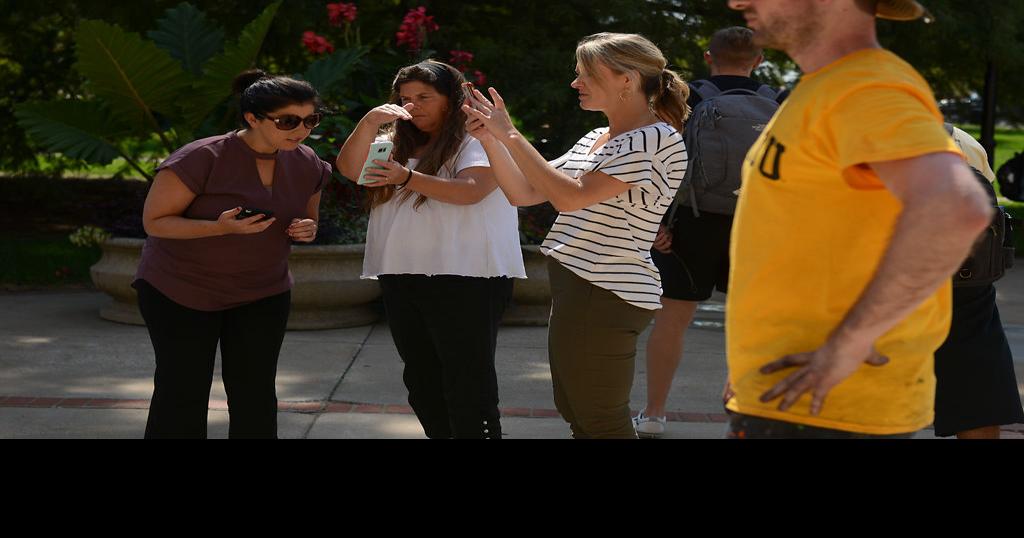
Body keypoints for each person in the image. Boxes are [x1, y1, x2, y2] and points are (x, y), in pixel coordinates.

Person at [723, 0, 993, 438]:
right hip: (792, 399)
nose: (737, 2)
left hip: (829, 409)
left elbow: (956, 209)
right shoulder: (826, 87)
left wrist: (849, 343)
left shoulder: (867, 85)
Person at [463, 33, 689, 438]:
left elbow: (571, 198)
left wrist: (510, 134)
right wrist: (491, 138)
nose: (575, 82)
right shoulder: (596, 137)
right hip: (581, 285)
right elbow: (525, 192)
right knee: (577, 410)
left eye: (586, 73)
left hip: (605, 291)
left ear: (627, 79)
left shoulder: (655, 138)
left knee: (600, 418)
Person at [135, 69, 332, 438]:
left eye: (310, 120)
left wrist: (307, 228)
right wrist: (219, 227)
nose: (301, 129)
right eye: (288, 121)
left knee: (255, 392)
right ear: (252, 118)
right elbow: (156, 221)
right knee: (182, 392)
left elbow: (308, 216)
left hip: (263, 292)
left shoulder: (306, 162)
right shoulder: (200, 157)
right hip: (180, 290)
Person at [336, 60, 524, 439]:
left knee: (467, 380)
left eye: (425, 96)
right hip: (402, 272)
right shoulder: (392, 139)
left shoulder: (477, 138)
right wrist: (369, 123)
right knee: (421, 378)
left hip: (467, 275)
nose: (413, 105)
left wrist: (406, 177)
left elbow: (472, 190)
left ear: (451, 99)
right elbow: (350, 169)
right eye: (405, 98)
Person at [635, 26, 787, 438]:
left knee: (672, 319)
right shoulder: (781, 102)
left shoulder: (690, 98)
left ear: (708, 56)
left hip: (692, 221)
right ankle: (748, 414)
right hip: (758, 224)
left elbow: (657, 164)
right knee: (752, 322)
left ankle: (653, 413)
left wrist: (655, 225)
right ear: (758, 61)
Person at [933, 125, 1024, 439]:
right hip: (966, 276)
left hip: (887, 273)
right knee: (977, 379)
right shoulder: (959, 138)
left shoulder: (837, 130)